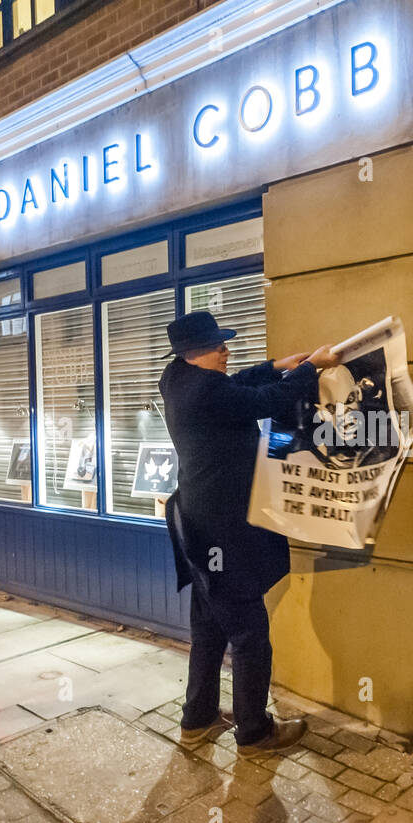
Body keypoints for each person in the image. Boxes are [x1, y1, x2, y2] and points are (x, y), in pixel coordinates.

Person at [158, 310, 339, 755]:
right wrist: (310, 368)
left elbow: (238, 381)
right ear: (198, 351)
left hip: (196, 527)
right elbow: (268, 401)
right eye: (219, 345)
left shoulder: (176, 377)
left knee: (208, 626)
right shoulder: (208, 393)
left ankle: (197, 719)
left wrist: (279, 363)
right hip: (222, 530)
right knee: (250, 631)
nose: (226, 350)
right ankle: (255, 733)